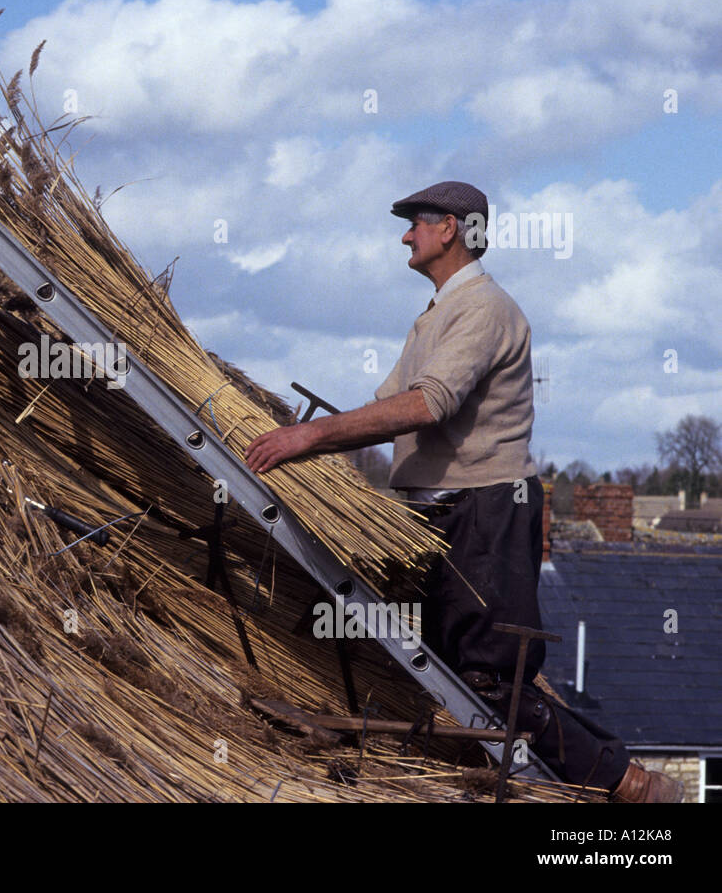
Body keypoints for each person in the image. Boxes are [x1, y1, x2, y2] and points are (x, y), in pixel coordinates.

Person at [244, 181, 681, 802]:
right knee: (445, 674)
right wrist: (306, 444)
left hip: (485, 513)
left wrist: (310, 435)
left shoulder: (482, 308)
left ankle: (627, 782)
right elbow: (387, 408)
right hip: (441, 512)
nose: (405, 235)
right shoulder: (437, 312)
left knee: (490, 683)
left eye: (415, 224)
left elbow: (427, 404)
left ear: (450, 228)